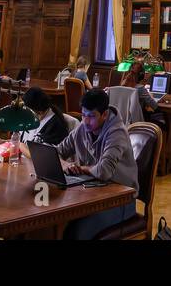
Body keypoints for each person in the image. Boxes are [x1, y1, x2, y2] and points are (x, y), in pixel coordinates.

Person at [55, 88, 138, 239]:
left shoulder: (117, 133)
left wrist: (80, 169)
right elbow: (58, 152)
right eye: (83, 115)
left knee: (77, 232)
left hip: (120, 201)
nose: (86, 121)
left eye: (91, 116)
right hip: (91, 195)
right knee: (57, 222)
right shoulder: (83, 127)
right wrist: (66, 165)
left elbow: (104, 171)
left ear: (105, 114)